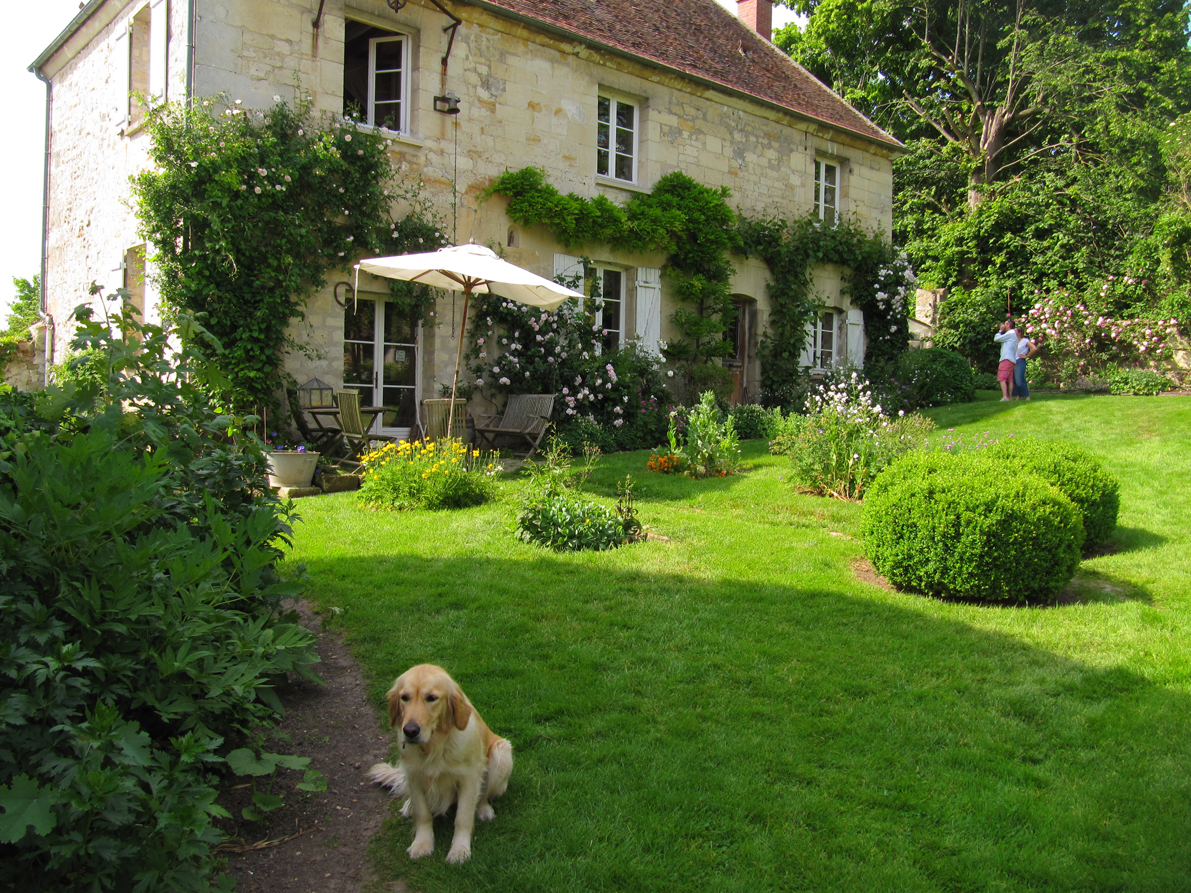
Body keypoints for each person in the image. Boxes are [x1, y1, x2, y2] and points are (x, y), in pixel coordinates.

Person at [993, 318, 1018, 402]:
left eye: (1005, 324)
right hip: (1012, 359)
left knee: (1002, 377)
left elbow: (996, 339)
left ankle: (1005, 397)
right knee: (1009, 379)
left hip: (1006, 358)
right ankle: (1010, 397)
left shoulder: (1010, 333)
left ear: (1008, 325)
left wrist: (1000, 330)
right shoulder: (1013, 334)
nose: (1003, 325)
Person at [1013, 324, 1038, 401]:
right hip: (1013, 361)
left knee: (1020, 379)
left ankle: (1027, 395)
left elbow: (1034, 348)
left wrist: (1027, 356)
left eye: (1016, 331)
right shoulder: (1014, 341)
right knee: (1015, 380)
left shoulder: (1025, 341)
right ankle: (1019, 396)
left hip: (1020, 361)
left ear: (1020, 333)